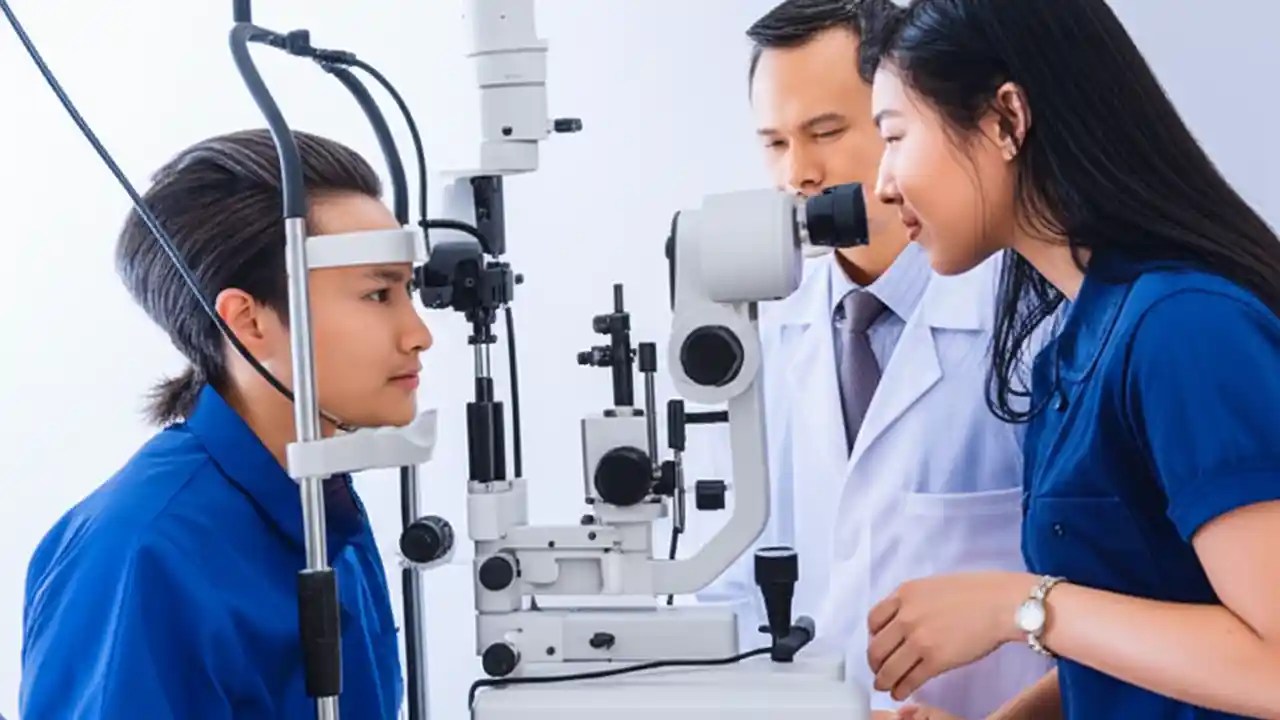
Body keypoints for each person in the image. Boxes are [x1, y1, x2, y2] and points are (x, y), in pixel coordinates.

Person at [859, 0, 1280, 718]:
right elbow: (1157, 631)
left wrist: (1020, 607)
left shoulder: (1186, 331)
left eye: (895, 137)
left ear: (1006, 120)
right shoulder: (1072, 351)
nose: (883, 183)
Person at [693, 1, 1051, 717]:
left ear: (900, 120)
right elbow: (730, 591)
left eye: (826, 132)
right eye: (774, 143)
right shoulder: (757, 332)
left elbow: (1110, 595)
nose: (800, 173)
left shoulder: (1035, 319)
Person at [20, 129, 433, 719]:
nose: (419, 334)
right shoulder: (142, 555)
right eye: (377, 294)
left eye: (408, 290)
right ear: (248, 320)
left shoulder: (320, 508)